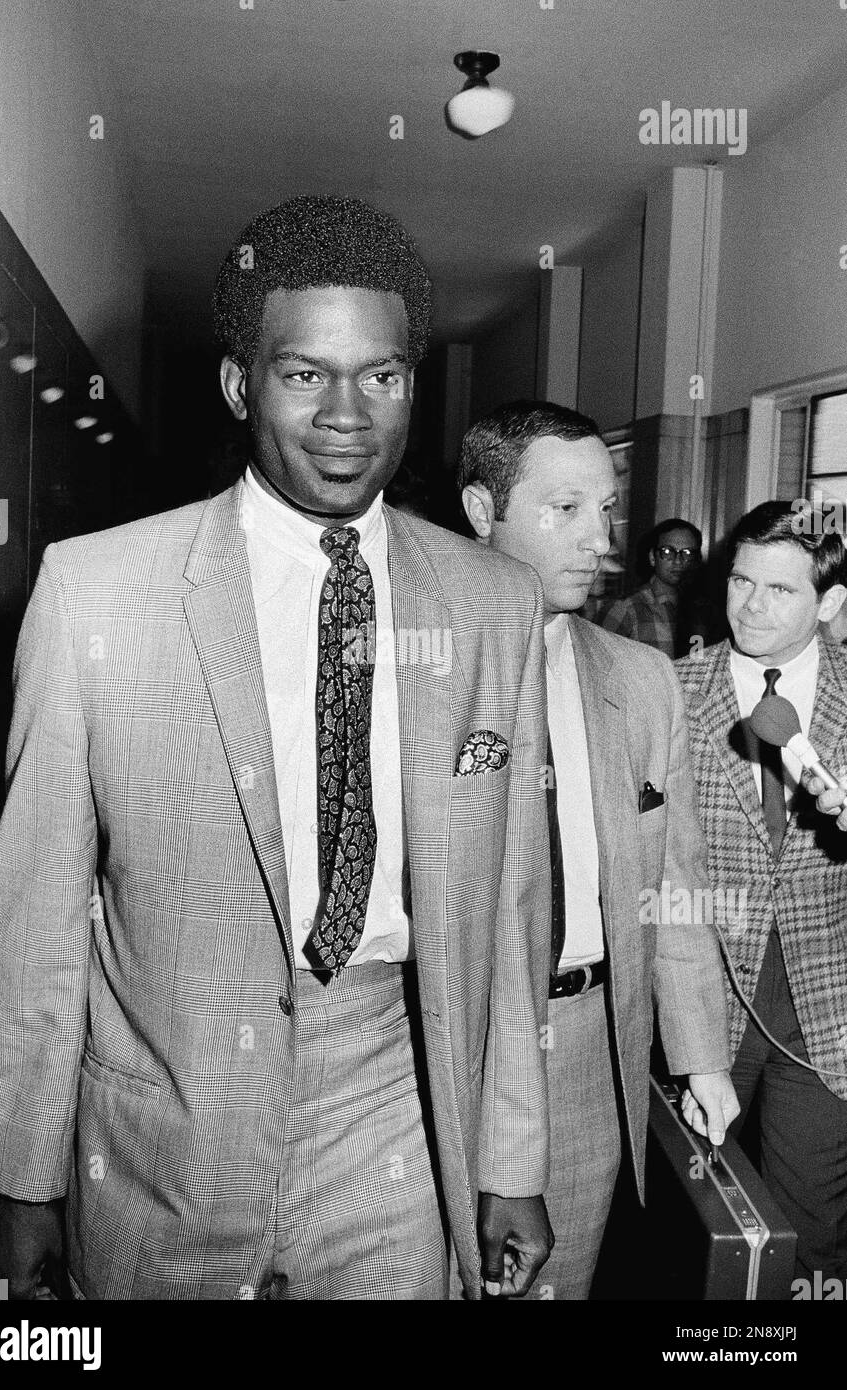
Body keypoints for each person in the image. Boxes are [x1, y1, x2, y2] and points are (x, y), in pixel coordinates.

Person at [0, 196, 554, 1301]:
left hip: (394, 1095)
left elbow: (510, 909)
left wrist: (511, 1157)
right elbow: (37, 914)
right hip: (168, 1112)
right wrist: (20, 1180)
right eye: (305, 375)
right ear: (244, 385)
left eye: (381, 376)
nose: (348, 414)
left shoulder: (493, 603)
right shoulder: (98, 588)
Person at [457, 399, 737, 1300]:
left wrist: (700, 1057)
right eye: (563, 508)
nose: (599, 539)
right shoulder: (406, 668)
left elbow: (676, 891)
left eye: (606, 509)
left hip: (584, 1055)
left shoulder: (640, 682)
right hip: (440, 1048)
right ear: (480, 511)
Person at [676, 500, 847, 1280]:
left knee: (812, 1235)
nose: (747, 606)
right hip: (698, 1003)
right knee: (686, 1219)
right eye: (740, 581)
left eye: (778, 591)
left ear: (832, 602)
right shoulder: (669, 690)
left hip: (827, 1010)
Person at [602, 517, 707, 658]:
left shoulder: (704, 612)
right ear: (653, 557)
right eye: (668, 552)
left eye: (687, 553)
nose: (678, 561)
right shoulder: (626, 609)